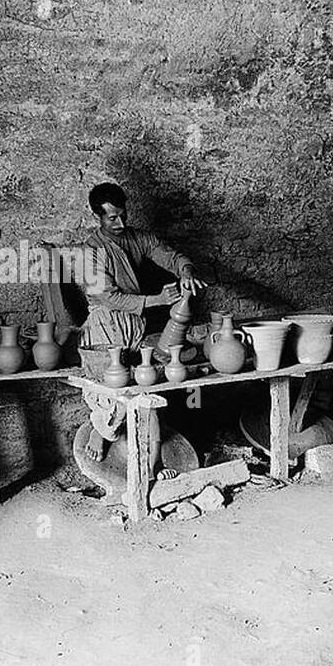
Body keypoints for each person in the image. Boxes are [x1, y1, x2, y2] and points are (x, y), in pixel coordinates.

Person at [78, 182, 205, 466]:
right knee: (113, 390)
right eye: (112, 218)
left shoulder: (138, 238)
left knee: (142, 386)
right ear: (97, 216)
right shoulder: (90, 252)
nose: (120, 222)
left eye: (123, 214)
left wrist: (186, 272)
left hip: (134, 326)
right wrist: (157, 300)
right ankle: (102, 431)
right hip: (105, 326)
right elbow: (108, 298)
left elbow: (170, 256)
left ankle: (149, 460)